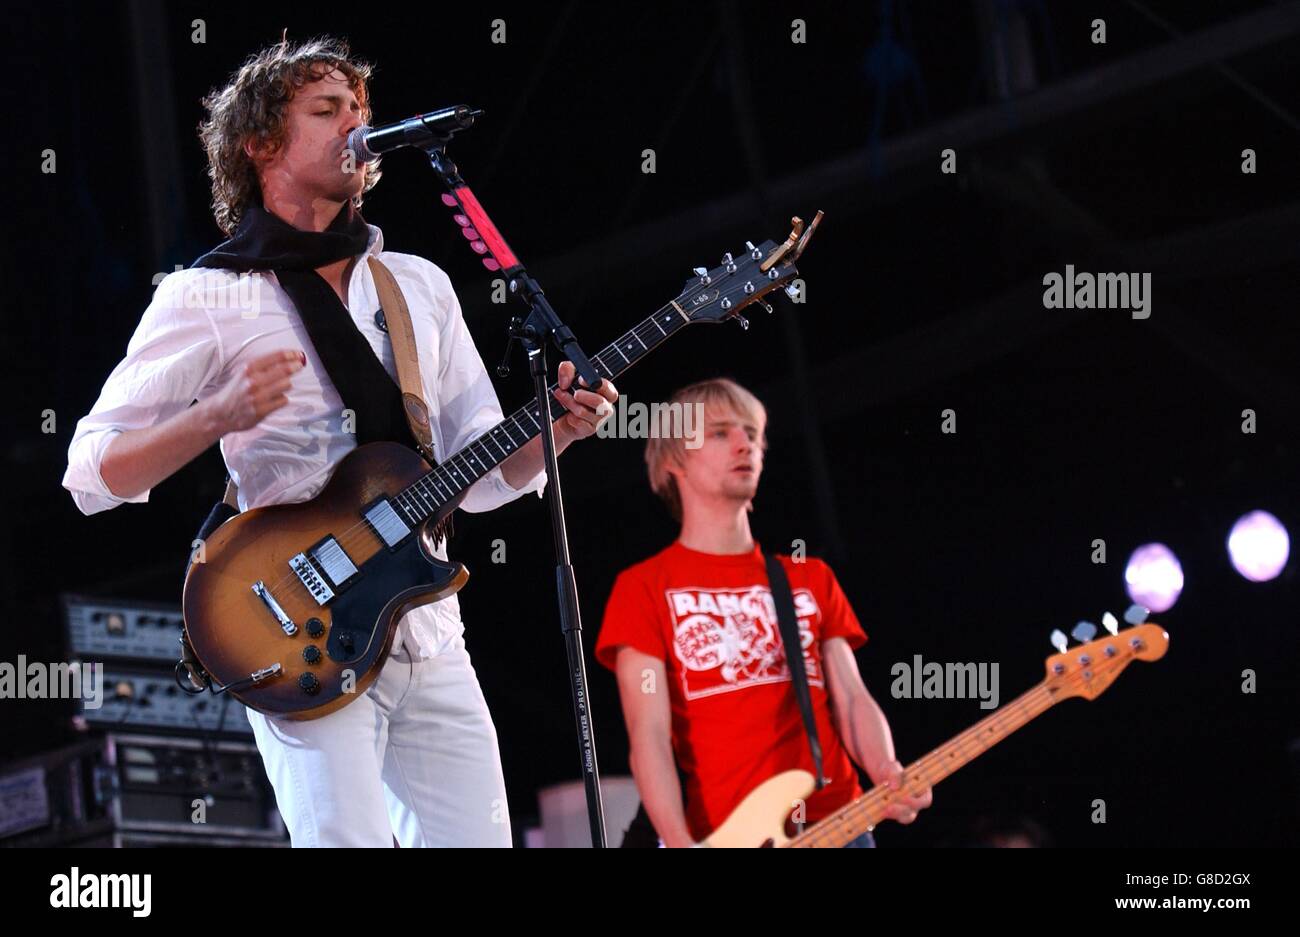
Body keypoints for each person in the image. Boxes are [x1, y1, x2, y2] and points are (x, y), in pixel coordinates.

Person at [62, 36, 617, 847]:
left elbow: (486, 471)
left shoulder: (418, 284)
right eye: (328, 110)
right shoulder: (210, 293)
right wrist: (211, 415)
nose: (357, 124)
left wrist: (559, 432)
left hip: (427, 628)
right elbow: (91, 469)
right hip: (294, 629)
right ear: (259, 143)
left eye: (362, 109)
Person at [595, 378, 929, 847]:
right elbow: (649, 736)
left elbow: (852, 700)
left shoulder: (809, 577)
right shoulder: (643, 587)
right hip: (727, 835)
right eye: (720, 432)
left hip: (838, 824)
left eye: (752, 433)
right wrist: (679, 841)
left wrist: (886, 770)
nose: (744, 443)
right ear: (673, 459)